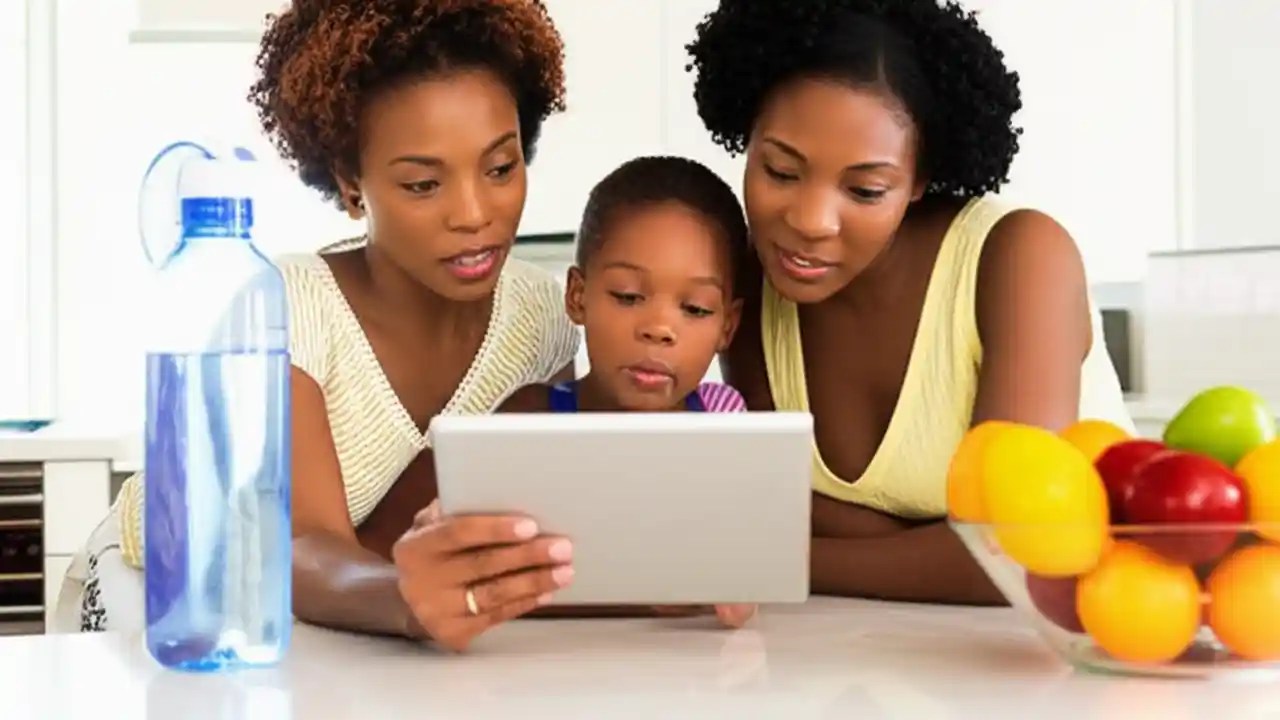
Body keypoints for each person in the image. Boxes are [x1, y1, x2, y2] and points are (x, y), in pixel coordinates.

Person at [60, 0, 582, 653]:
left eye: (500, 168)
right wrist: (406, 600)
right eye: (423, 184)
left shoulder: (542, 318)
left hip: (340, 616)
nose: (474, 213)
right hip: (161, 591)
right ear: (352, 185)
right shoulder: (289, 306)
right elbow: (298, 541)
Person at [685, 0, 1134, 605]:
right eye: (781, 172)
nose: (811, 221)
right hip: (858, 644)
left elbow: (1022, 552)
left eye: (865, 190)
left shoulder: (1019, 257)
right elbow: (781, 501)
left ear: (921, 177)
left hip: (1087, 638)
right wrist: (946, 546)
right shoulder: (749, 278)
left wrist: (773, 561)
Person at [499, 155, 757, 627]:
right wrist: (651, 597)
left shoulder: (726, 425)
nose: (658, 328)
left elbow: (744, 555)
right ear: (578, 296)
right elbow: (498, 576)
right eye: (628, 296)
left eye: (696, 309)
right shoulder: (529, 420)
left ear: (727, 326)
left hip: (689, 663)